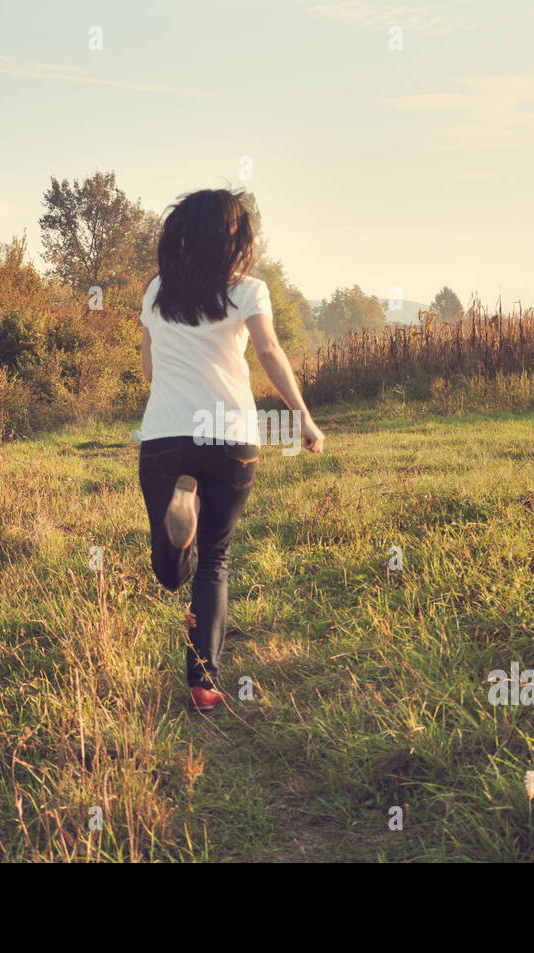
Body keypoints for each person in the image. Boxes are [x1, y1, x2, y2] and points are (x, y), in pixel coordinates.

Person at [137, 188, 325, 712]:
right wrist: (302, 418)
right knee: (216, 560)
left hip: (167, 437)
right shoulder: (248, 290)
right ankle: (204, 682)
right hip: (231, 436)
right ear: (234, 238)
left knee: (174, 571)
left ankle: (178, 533)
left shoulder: (156, 291)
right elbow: (268, 350)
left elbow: (150, 372)